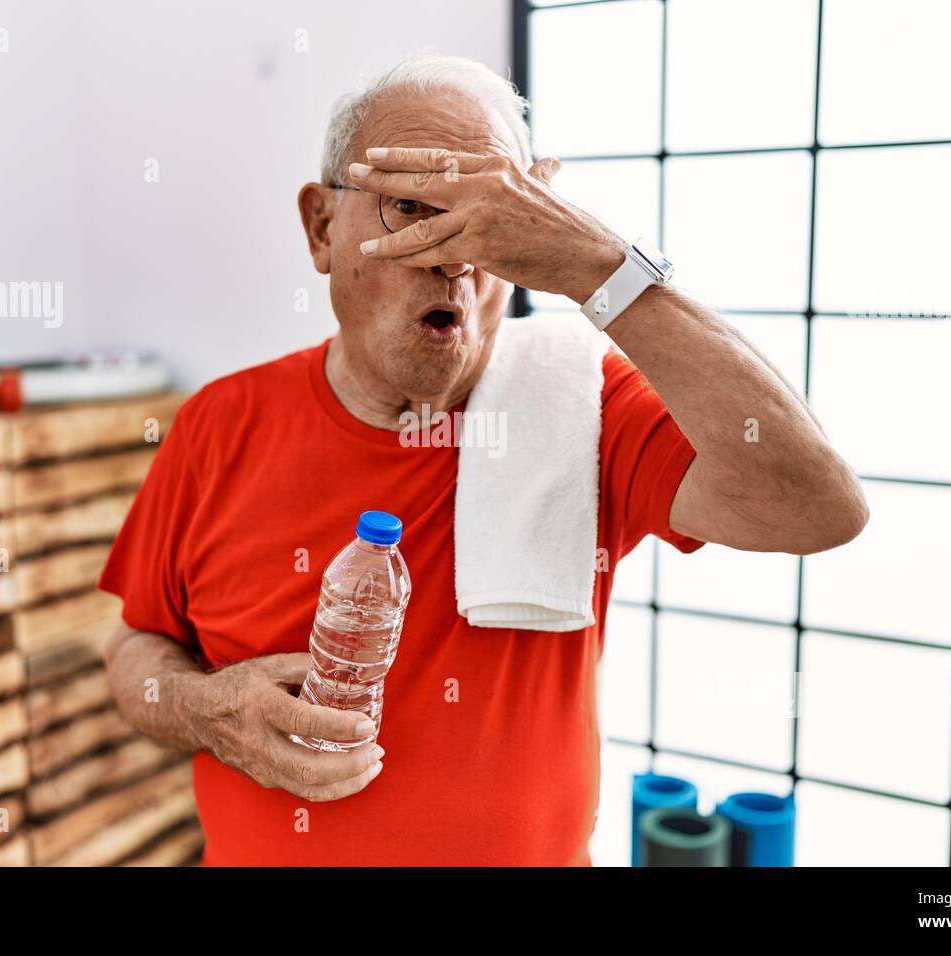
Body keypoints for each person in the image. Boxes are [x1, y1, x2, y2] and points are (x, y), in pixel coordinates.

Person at [98, 53, 867, 866]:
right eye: (412, 208)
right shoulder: (219, 423)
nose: (452, 256)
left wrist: (598, 265)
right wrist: (207, 709)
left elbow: (820, 505)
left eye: (491, 220)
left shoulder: (584, 407)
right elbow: (135, 650)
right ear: (322, 228)